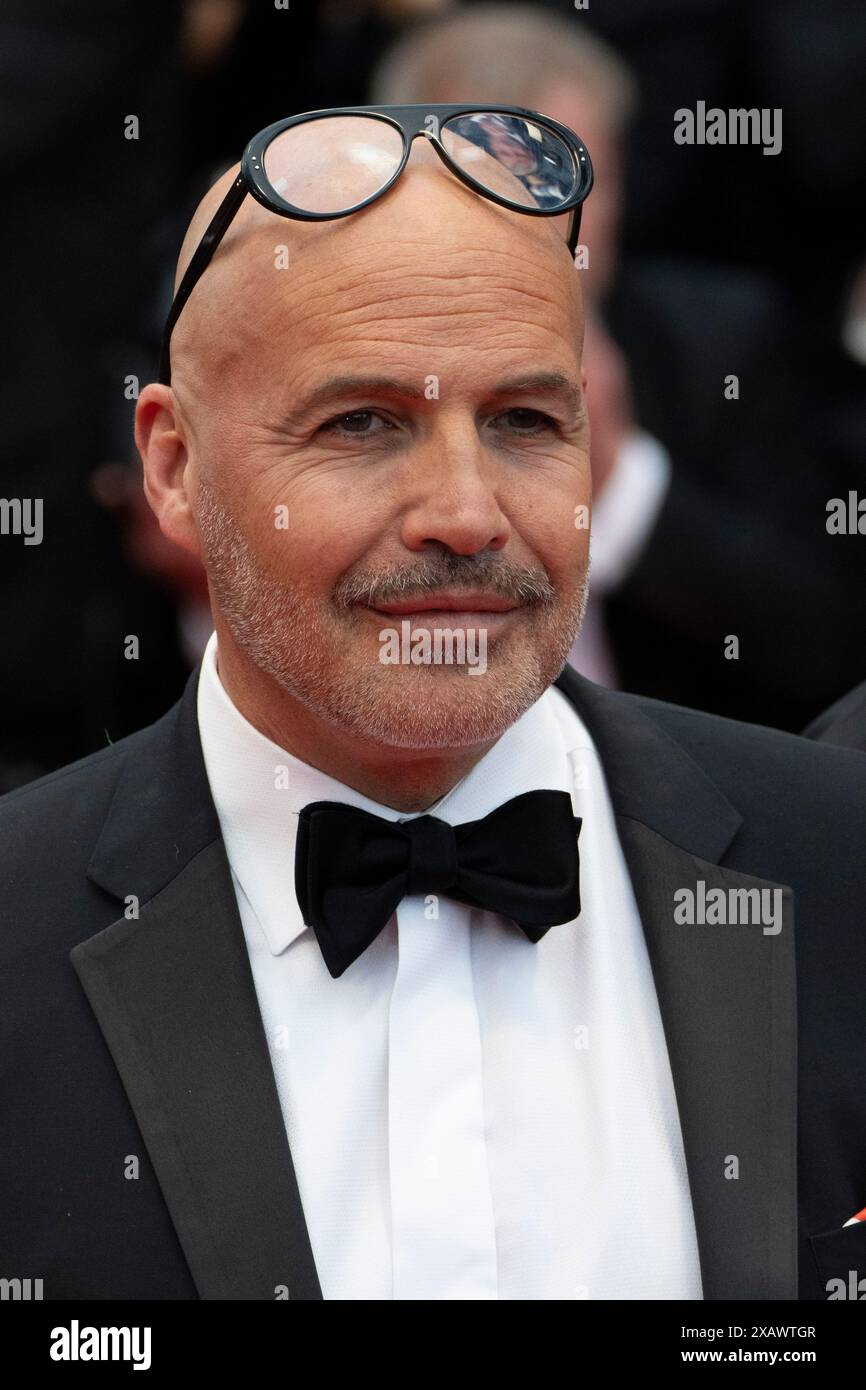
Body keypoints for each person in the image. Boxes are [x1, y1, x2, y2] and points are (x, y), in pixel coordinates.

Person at [1, 105, 865, 1302]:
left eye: (522, 421)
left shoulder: (837, 863)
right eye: (362, 424)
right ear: (173, 466)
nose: (464, 511)